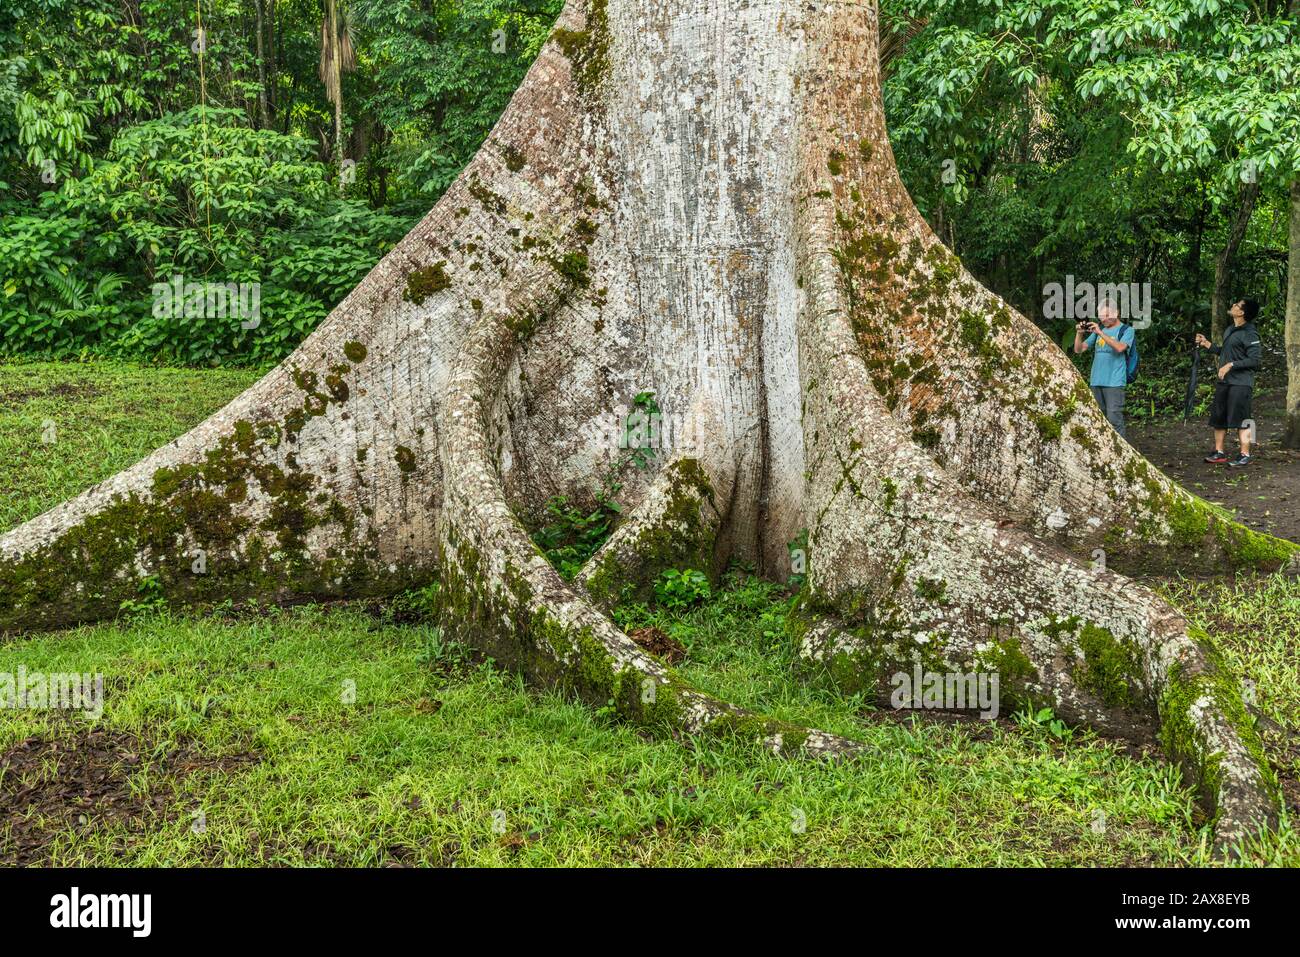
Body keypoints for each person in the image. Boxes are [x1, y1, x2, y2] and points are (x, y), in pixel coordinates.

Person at [1197, 298, 1262, 468]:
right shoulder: (1230, 330)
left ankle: (1245, 454)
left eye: (1237, 305)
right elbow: (1226, 352)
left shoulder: (1250, 333)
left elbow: (1255, 361)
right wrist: (1207, 344)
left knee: (1243, 419)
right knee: (1219, 417)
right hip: (1225, 382)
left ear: (1242, 312)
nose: (1232, 305)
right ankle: (1219, 452)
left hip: (1241, 383)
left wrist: (1231, 365)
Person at [1073, 300, 1135, 438]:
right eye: (1101, 316)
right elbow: (1079, 349)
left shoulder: (1127, 330)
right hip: (1096, 380)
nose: (1104, 319)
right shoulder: (1099, 331)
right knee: (1098, 419)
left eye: (1107, 315)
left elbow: (1120, 348)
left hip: (1114, 381)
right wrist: (1079, 333)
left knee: (1114, 419)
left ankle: (1121, 453)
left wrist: (1100, 332)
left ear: (1117, 312)